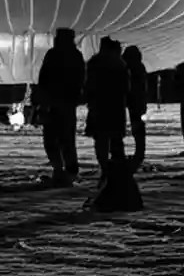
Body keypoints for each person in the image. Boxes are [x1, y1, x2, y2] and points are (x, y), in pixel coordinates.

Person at [35, 27, 85, 186]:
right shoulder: (76, 56)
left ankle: (59, 169)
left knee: (51, 138)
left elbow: (43, 78)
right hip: (68, 104)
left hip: (52, 103)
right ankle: (70, 171)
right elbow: (81, 79)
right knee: (67, 138)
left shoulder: (53, 54)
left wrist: (41, 100)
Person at [84, 38, 129, 179]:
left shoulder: (95, 63)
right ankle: (117, 167)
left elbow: (88, 85)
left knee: (101, 139)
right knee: (115, 138)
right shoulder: (119, 64)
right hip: (115, 106)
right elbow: (126, 87)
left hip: (99, 106)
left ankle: (105, 167)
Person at [122, 45, 148, 165]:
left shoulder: (131, 68)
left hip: (135, 101)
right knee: (138, 127)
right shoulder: (139, 67)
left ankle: (139, 153)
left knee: (137, 127)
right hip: (138, 101)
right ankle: (140, 152)